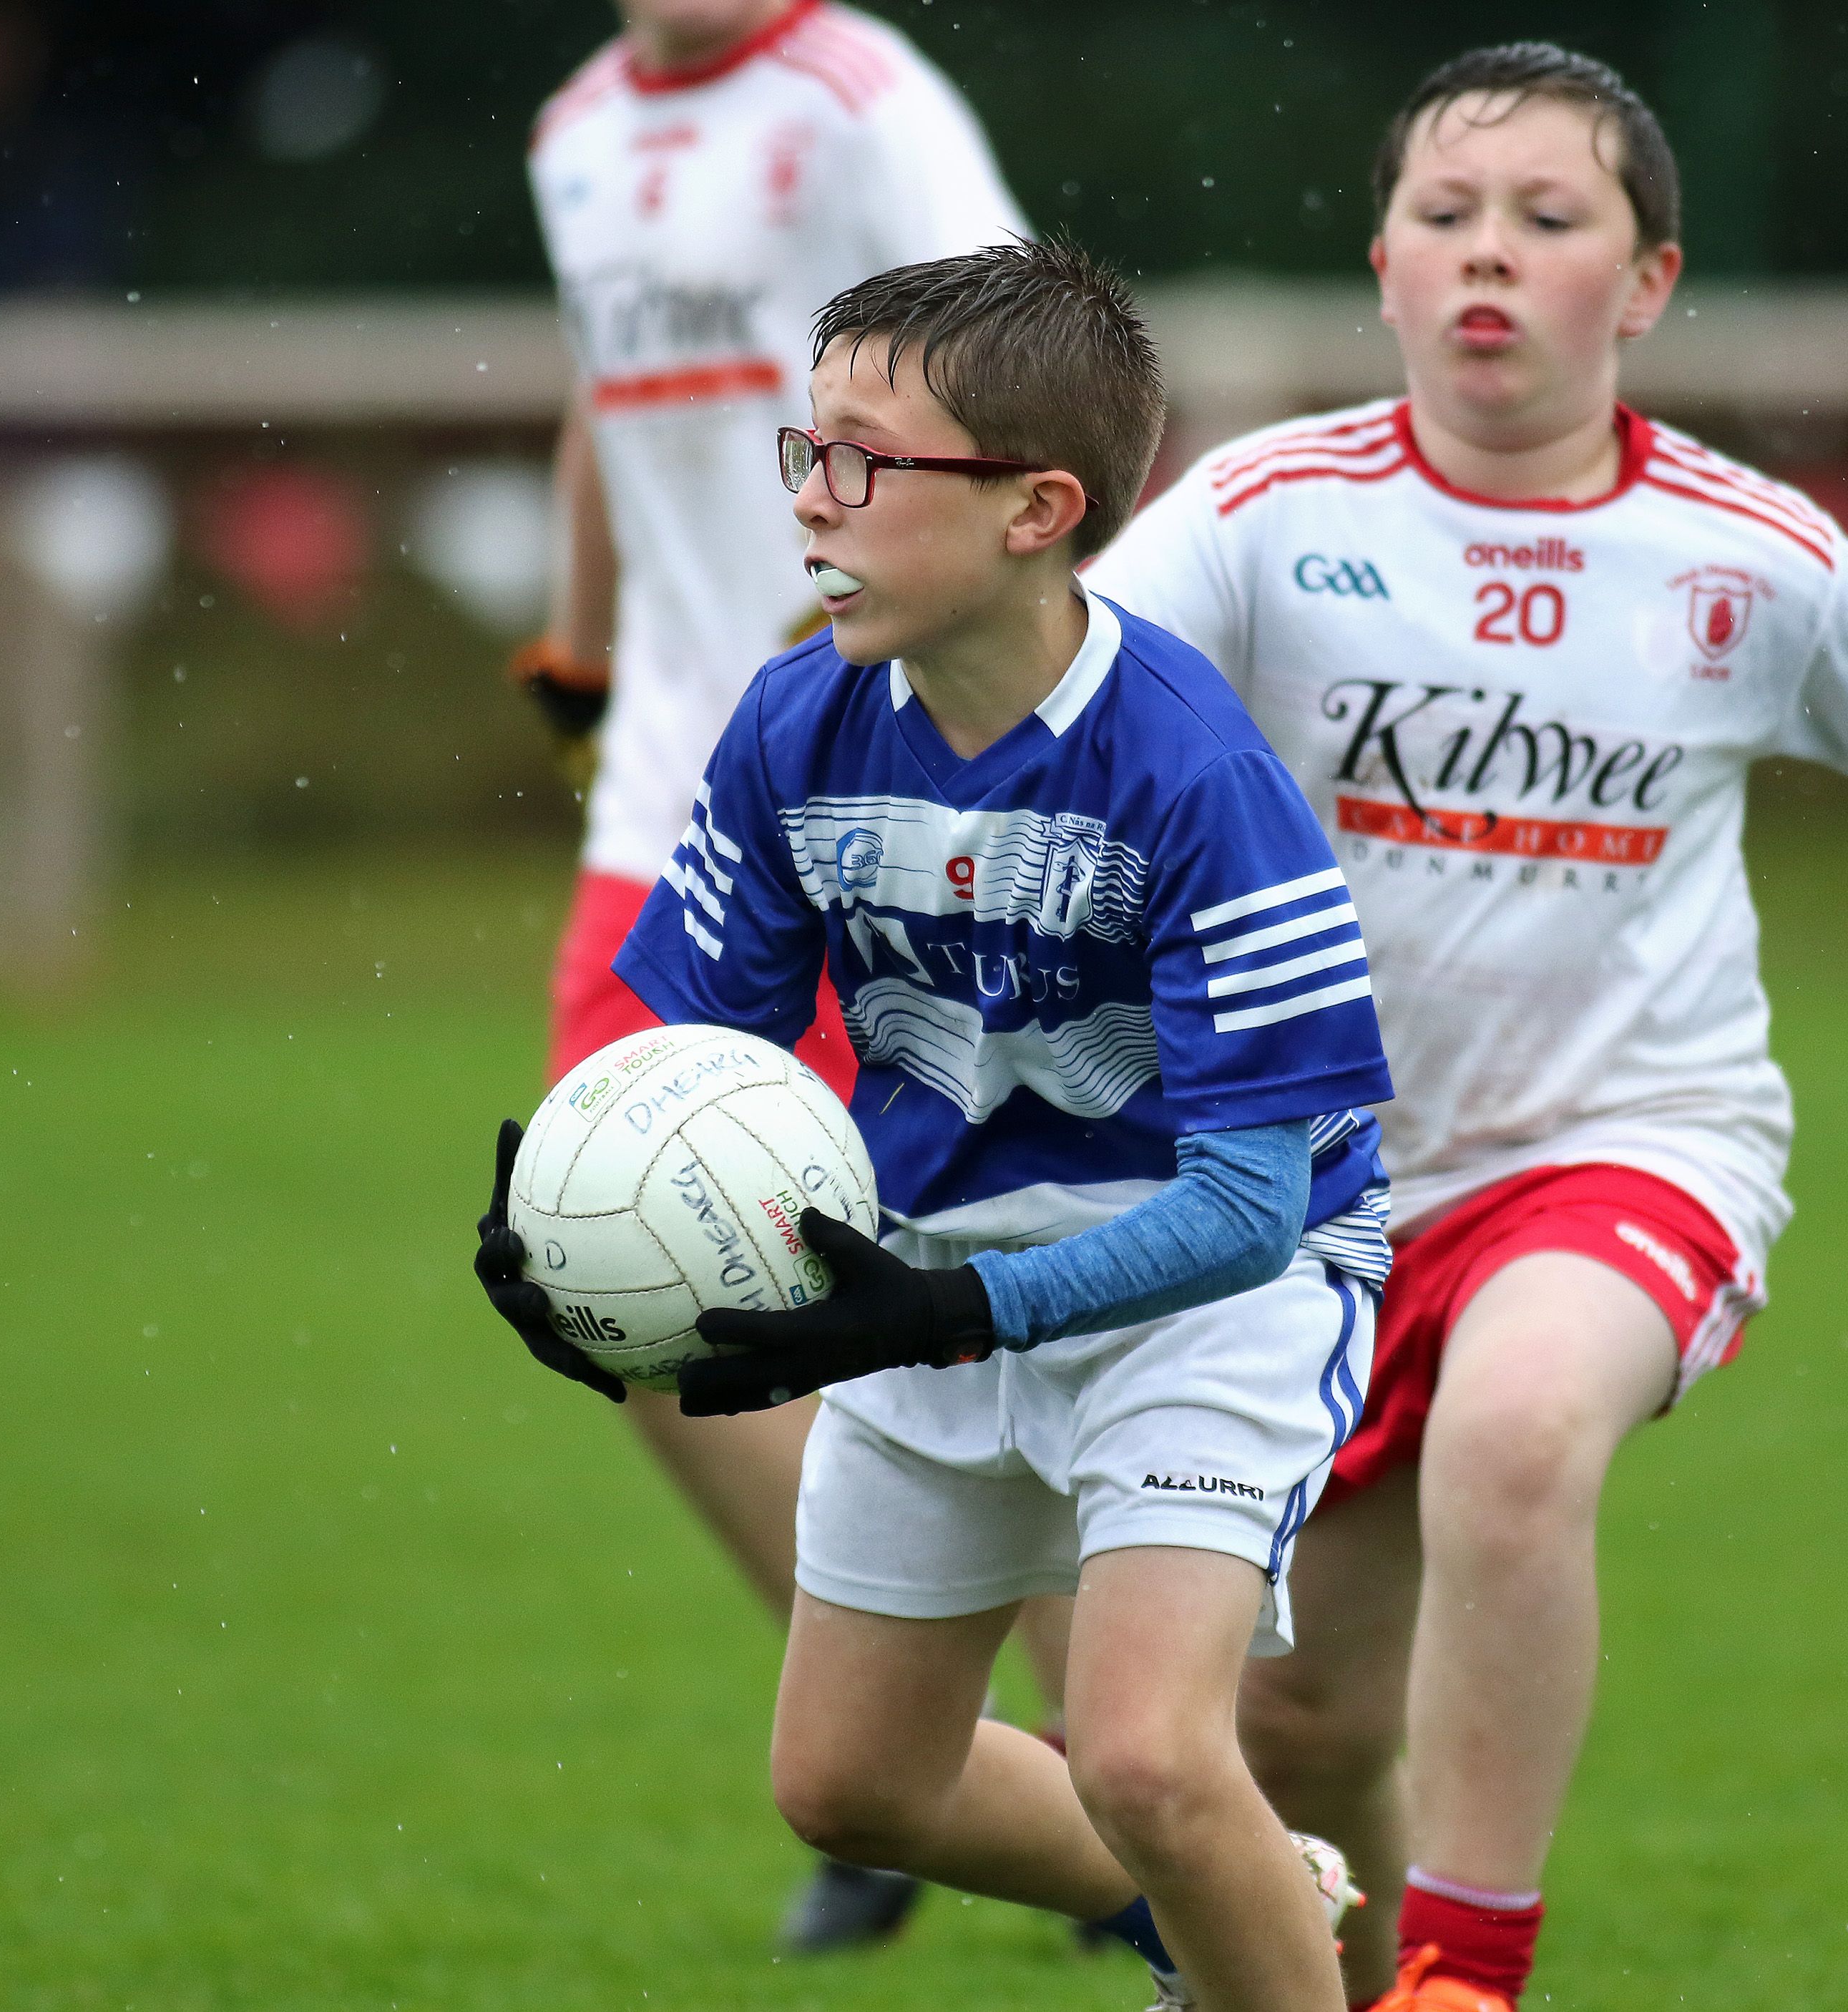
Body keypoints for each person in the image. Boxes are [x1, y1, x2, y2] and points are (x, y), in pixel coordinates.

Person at [1084, 44, 1848, 2011]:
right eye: (1446, 218)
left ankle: (1463, 1975)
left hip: (1633, 1141)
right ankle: (1310, 1954)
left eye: (1549, 217)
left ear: (1653, 281)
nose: (1489, 260)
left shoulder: (1747, 554)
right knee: (1301, 1718)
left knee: (1523, 1433)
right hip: (1313, 1186)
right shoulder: (1264, 514)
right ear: (1382, 267)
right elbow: (1060, 716)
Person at [481, 238, 1386, 2012]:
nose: (811, 504)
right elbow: (699, 1054)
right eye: (800, 451)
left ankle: (1223, 1882)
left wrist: (946, 1313)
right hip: (933, 1267)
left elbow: (1250, 1204)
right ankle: (1250, 1883)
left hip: (1211, 1295)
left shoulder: (1190, 771)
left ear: (1035, 509)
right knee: (852, 1782)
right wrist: (566, 1224)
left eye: (864, 464)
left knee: (1143, 1751)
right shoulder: (794, 718)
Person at [516, 0, 1027, 1946]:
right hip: (667, 804)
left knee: (959, 1291)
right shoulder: (575, 127)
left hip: (877, 786)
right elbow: (605, 393)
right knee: (623, 1282)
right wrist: (578, 646)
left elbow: (1031, 381)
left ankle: (1031, 1766)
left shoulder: (859, 100)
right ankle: (909, 1746)